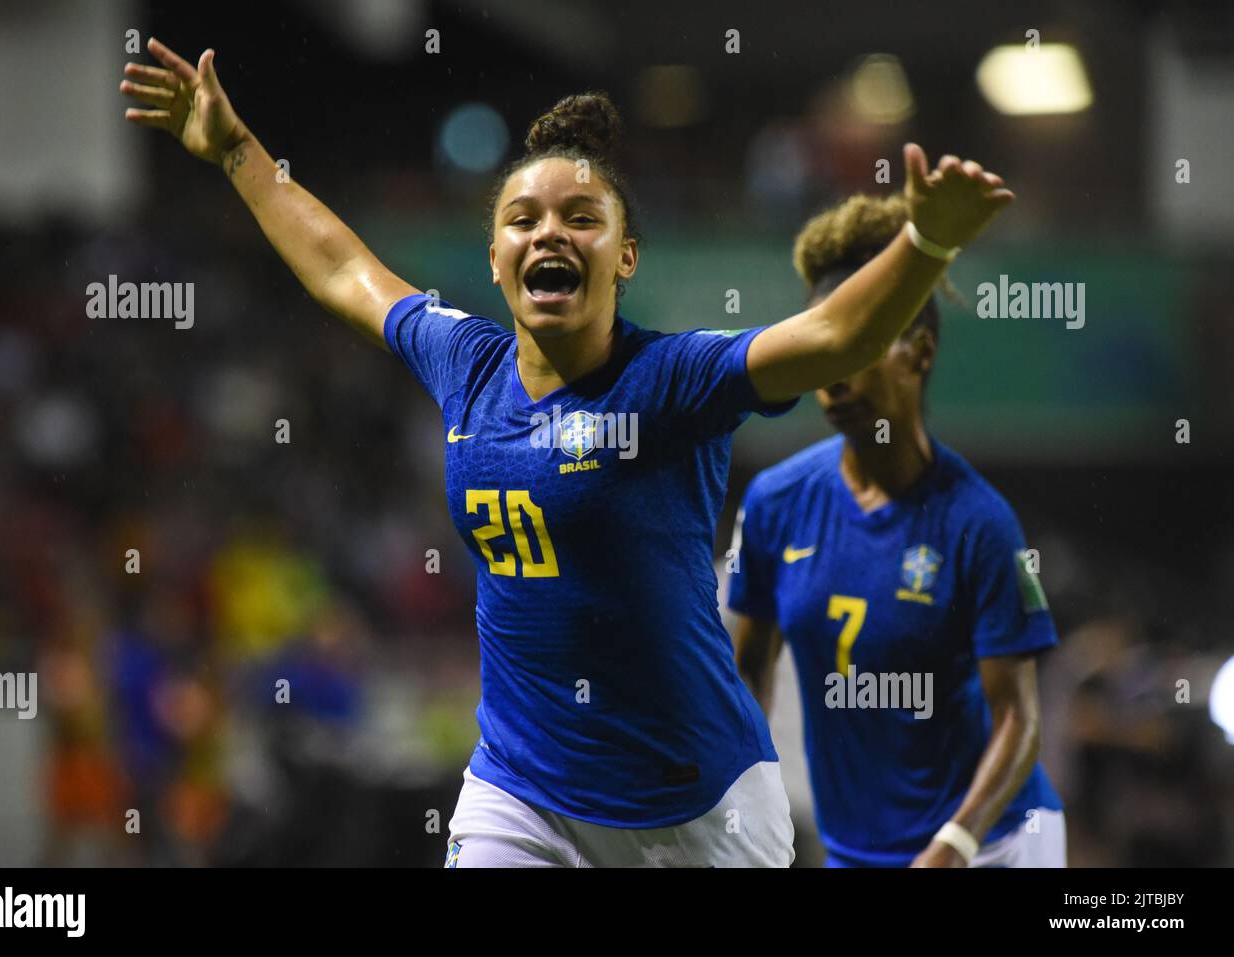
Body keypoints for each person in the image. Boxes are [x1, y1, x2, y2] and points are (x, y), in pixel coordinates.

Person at [121, 39, 1013, 867]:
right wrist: (237, 149)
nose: (548, 232)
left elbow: (831, 338)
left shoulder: (674, 379)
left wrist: (927, 241)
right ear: (498, 255)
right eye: (523, 218)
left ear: (624, 255)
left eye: (580, 217)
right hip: (524, 789)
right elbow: (343, 270)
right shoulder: (464, 361)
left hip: (698, 809)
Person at [729, 194, 1065, 867]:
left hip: (994, 844)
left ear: (921, 353)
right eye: (829, 344)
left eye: (864, 346)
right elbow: (743, 681)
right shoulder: (774, 502)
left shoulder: (980, 523)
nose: (835, 375)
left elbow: (1021, 719)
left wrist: (954, 844)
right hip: (856, 850)